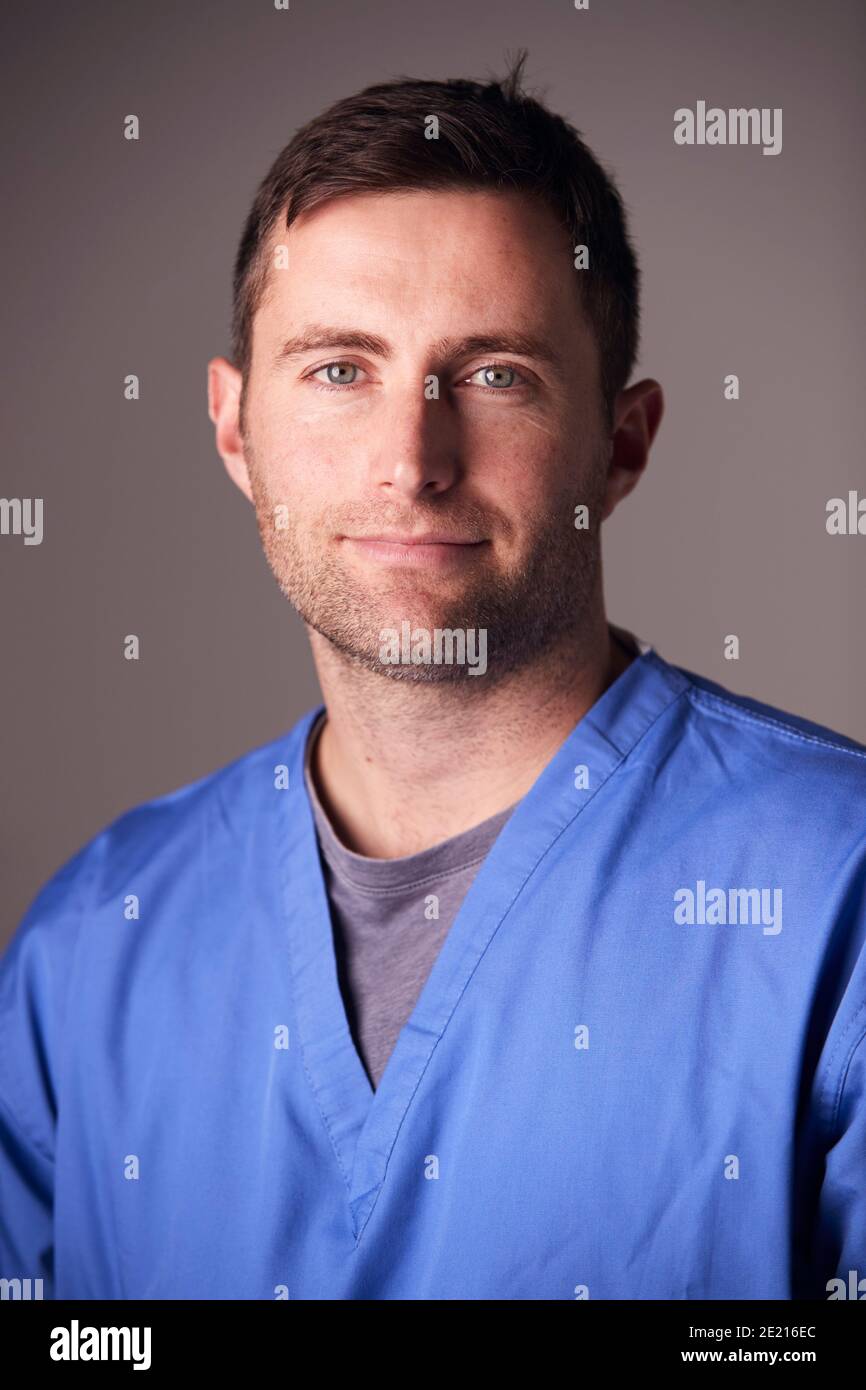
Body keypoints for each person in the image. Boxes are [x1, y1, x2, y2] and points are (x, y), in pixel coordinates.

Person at [1, 54, 864, 1302]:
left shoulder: (833, 895)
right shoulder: (91, 945)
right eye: (339, 368)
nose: (412, 458)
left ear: (619, 445)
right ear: (235, 428)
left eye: (494, 375)